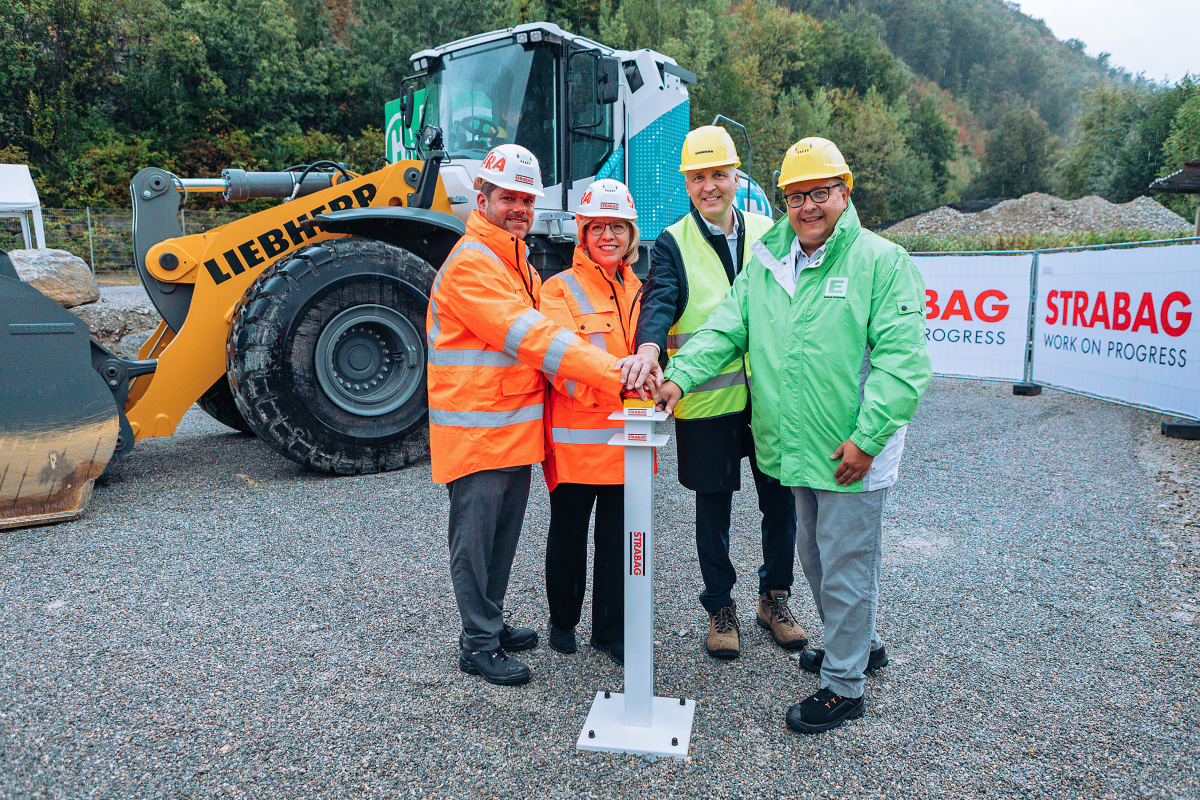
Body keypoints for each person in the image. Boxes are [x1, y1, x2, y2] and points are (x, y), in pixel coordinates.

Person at [653, 137, 932, 734]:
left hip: (850, 452)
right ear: (782, 200)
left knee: (847, 565)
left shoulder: (881, 263)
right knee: (815, 559)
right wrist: (677, 378)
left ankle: (844, 684)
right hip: (795, 448)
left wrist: (869, 438)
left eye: (820, 193)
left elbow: (902, 365)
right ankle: (861, 644)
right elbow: (727, 328)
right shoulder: (771, 261)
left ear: (844, 192)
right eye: (796, 195)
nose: (808, 206)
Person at [427, 145, 659, 687]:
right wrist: (615, 372)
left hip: (510, 429)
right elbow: (534, 338)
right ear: (481, 199)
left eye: (527, 200)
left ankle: (492, 622)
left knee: (501, 539)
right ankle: (478, 644)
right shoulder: (473, 265)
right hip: (477, 429)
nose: (519, 208)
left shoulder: (517, 263)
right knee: (475, 541)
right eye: (508, 197)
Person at [633, 125, 803, 660]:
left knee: (781, 500)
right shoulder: (671, 241)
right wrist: (649, 348)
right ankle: (720, 605)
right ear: (687, 183)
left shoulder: (771, 231)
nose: (710, 186)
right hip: (705, 398)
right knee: (715, 507)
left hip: (770, 394)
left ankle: (774, 597)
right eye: (699, 177)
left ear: (736, 177)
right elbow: (659, 301)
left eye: (719, 175)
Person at [537, 179, 647, 667]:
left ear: (630, 234)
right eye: (597, 226)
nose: (608, 236)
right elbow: (560, 364)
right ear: (582, 233)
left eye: (617, 227)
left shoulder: (640, 289)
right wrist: (623, 384)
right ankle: (563, 621)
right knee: (568, 536)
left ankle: (611, 629)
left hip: (629, 442)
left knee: (619, 544)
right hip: (578, 440)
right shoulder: (557, 289)